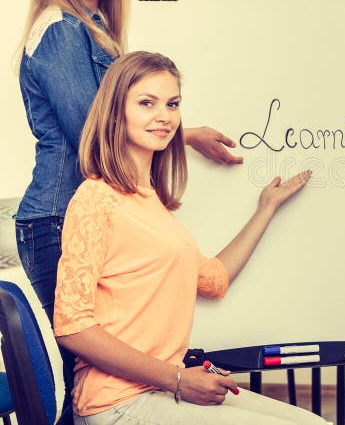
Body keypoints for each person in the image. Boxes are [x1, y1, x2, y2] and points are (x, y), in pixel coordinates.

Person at [14, 0, 242, 422]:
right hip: (56, 214)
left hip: (72, 207)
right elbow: (92, 129)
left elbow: (113, 119)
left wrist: (188, 133)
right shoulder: (59, 30)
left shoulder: (90, 24)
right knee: (80, 379)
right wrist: (180, 135)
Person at [52, 51, 322, 424]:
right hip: (116, 403)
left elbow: (215, 279)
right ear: (116, 112)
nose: (164, 115)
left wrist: (266, 207)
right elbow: (72, 327)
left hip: (162, 389)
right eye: (147, 103)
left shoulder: (152, 205)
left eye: (172, 103)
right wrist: (178, 379)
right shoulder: (97, 198)